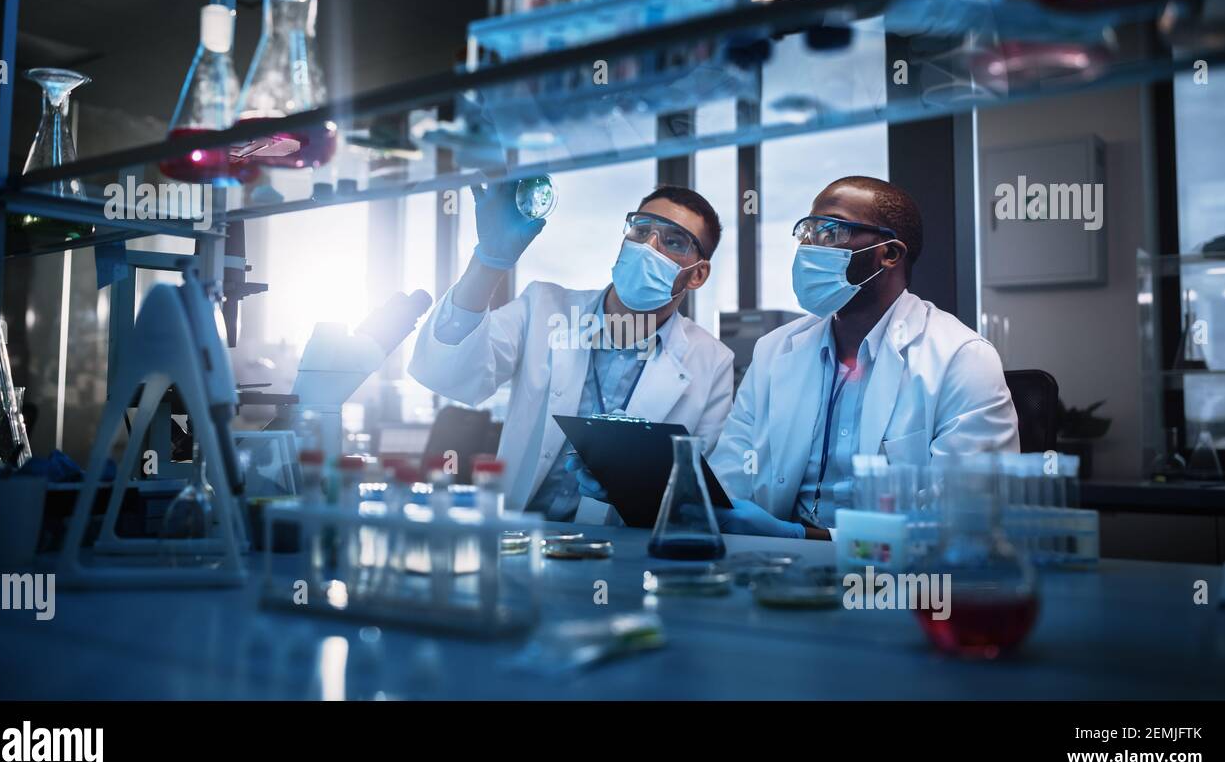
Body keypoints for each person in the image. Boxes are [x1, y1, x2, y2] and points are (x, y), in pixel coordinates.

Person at [705, 175, 1020, 539]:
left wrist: (805, 538)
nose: (808, 246)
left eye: (831, 232)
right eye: (807, 231)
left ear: (889, 253)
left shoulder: (962, 358)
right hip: (775, 569)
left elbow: (966, 517)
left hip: (899, 579)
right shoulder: (774, 351)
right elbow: (729, 480)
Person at [408, 181, 735, 523]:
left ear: (697, 274)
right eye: (640, 230)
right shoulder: (544, 307)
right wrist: (489, 262)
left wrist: (639, 484)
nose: (649, 247)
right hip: (514, 539)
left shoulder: (711, 362)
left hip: (621, 556)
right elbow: (448, 374)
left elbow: (700, 495)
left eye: (672, 241)